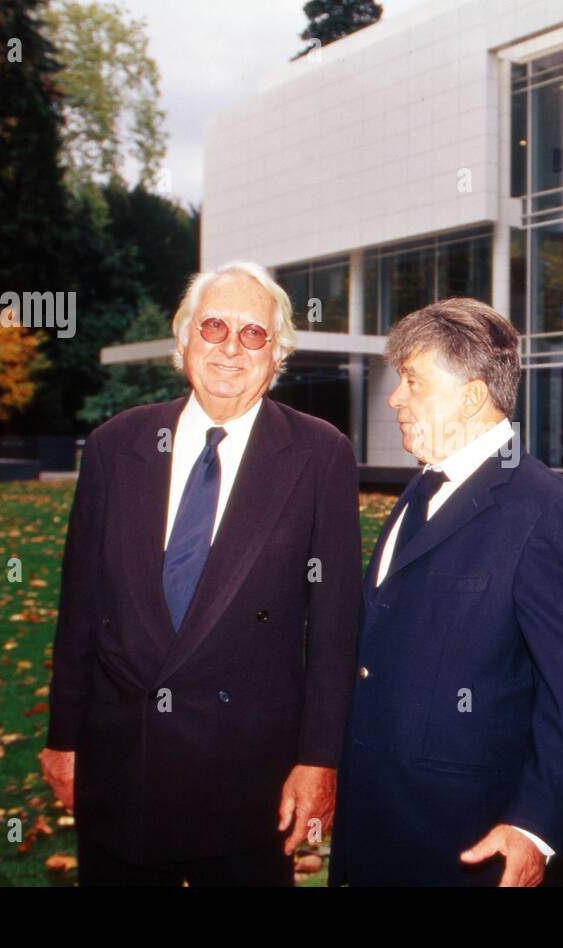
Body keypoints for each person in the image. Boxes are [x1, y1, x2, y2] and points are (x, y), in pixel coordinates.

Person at [40, 261, 361, 885]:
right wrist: (63, 737)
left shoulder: (320, 455)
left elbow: (334, 627)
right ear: (183, 340)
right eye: (214, 326)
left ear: (277, 356)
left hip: (248, 783)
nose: (230, 348)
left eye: (254, 334)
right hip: (122, 767)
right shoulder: (114, 447)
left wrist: (319, 761)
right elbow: (79, 608)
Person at [329, 297, 563, 886]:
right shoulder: (416, 493)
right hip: (375, 824)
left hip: (470, 844)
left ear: (472, 395)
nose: (395, 399)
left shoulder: (546, 509)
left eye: (411, 381)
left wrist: (534, 826)